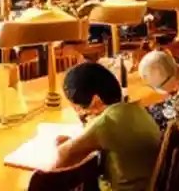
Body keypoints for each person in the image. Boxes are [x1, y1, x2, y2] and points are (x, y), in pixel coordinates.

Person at [54, 62, 160, 191]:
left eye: (78, 109)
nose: (82, 115)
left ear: (95, 101)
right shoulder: (137, 110)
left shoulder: (107, 122)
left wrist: (63, 145)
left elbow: (62, 158)